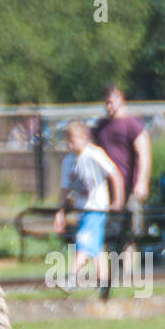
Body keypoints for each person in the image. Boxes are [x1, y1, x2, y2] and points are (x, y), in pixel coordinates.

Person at [53, 122, 124, 290]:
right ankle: (104, 283)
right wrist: (60, 212)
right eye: (67, 141)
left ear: (83, 138)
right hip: (82, 209)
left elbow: (114, 174)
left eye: (72, 140)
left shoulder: (94, 154)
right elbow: (65, 188)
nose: (69, 145)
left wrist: (118, 200)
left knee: (83, 242)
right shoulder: (68, 161)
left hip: (96, 208)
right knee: (95, 247)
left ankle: (71, 278)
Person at [92, 84, 151, 244]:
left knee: (131, 232)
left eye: (111, 102)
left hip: (130, 186)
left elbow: (144, 154)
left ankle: (129, 268)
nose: (108, 106)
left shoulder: (132, 125)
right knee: (110, 233)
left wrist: (141, 182)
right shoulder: (101, 126)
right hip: (107, 186)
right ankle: (114, 268)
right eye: (106, 103)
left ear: (121, 99)